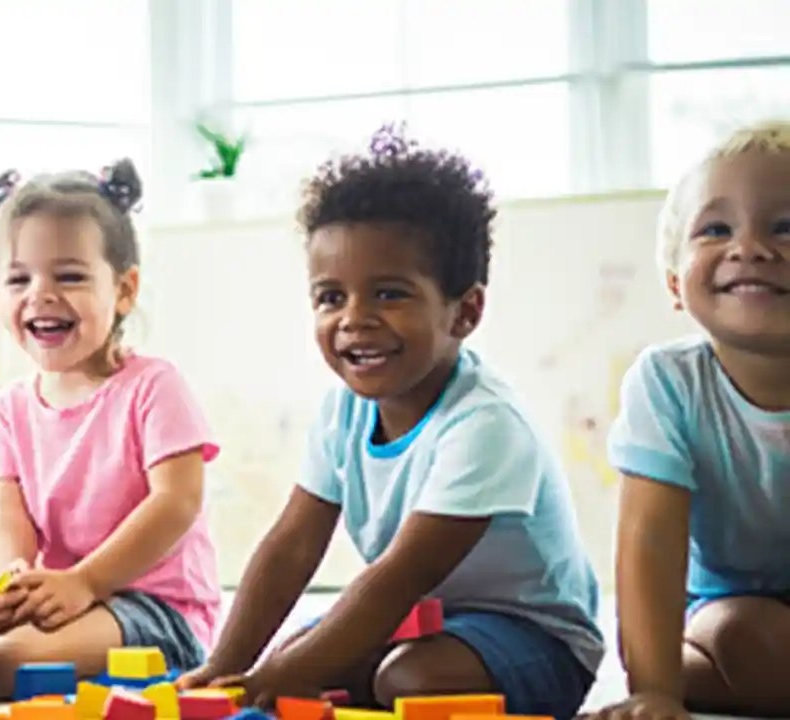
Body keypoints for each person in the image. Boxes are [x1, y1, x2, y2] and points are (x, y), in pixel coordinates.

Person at [177, 125, 604, 720]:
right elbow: (292, 545)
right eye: (330, 297)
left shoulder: (485, 423)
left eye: (389, 294)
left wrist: (262, 685)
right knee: (302, 658)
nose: (355, 319)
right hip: (423, 620)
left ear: (465, 312)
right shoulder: (341, 411)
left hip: (535, 636)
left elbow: (402, 575)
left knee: (405, 679)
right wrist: (228, 666)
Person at [0, 159, 220, 700]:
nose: (40, 294)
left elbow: (176, 503)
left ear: (124, 291)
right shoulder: (9, 407)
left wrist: (87, 581)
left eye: (70, 276)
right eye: (18, 279)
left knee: (9, 663)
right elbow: (5, 510)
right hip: (57, 590)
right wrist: (12, 577)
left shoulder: (154, 386)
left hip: (152, 604)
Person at [583, 121, 790, 720]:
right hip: (729, 606)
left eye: (785, 227)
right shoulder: (668, 382)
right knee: (748, 637)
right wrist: (653, 691)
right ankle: (684, 665)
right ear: (675, 282)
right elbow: (648, 542)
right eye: (716, 229)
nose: (749, 248)